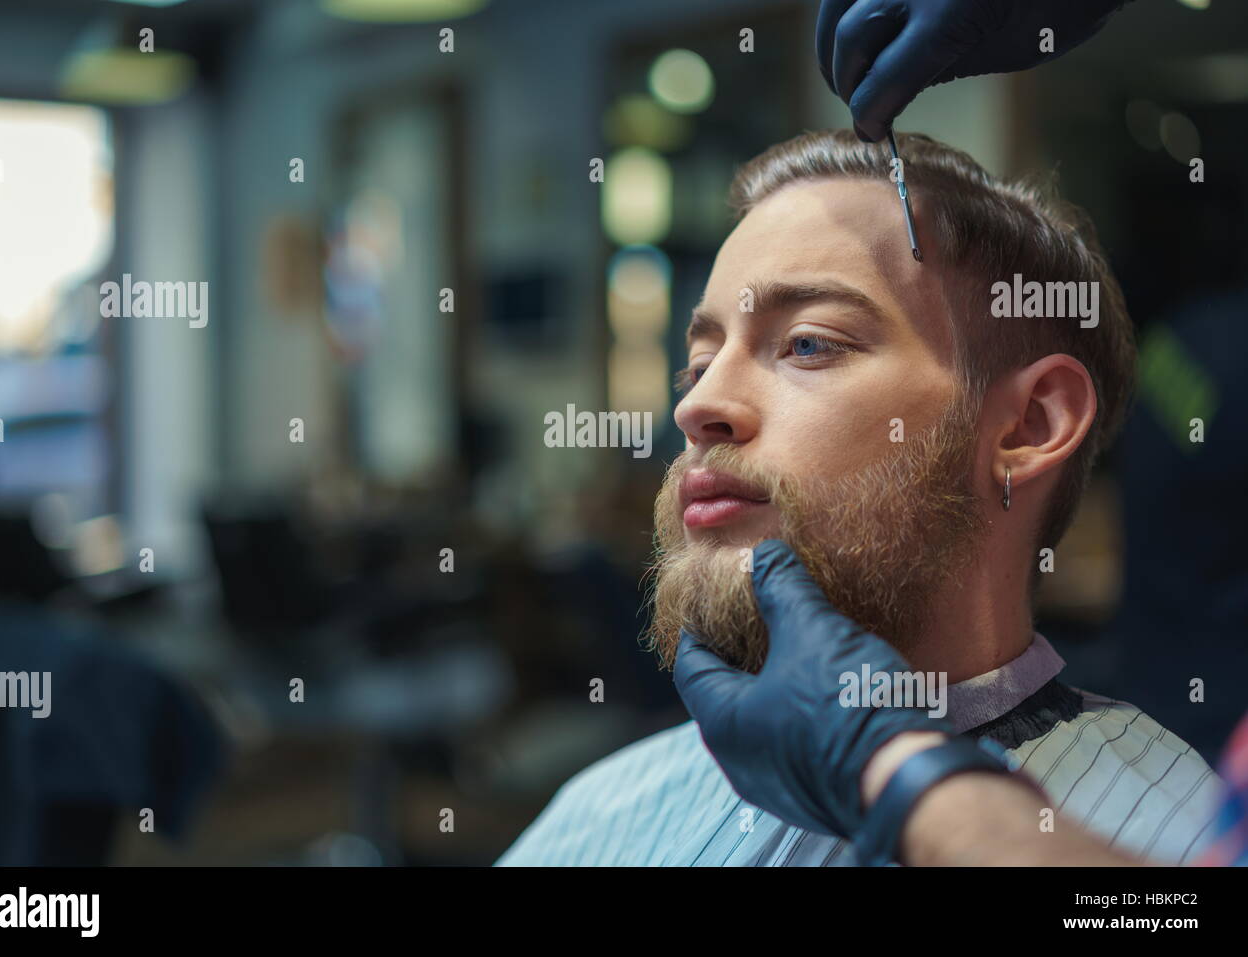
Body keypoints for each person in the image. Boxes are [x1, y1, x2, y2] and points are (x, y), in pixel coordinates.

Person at [496, 125, 1221, 866]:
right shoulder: (605, 807)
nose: (697, 406)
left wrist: (895, 772)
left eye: (809, 343)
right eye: (699, 363)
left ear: (1028, 424)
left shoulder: (1178, 833)